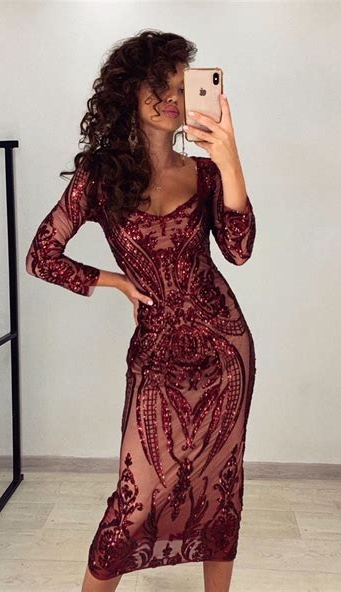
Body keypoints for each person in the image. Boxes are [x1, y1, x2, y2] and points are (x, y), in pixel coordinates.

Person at [25, 30, 257, 592]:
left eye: (182, 87)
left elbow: (239, 250)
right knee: (134, 503)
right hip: (155, 353)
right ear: (129, 89)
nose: (171, 98)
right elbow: (41, 256)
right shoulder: (99, 177)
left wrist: (230, 161)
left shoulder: (205, 174)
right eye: (159, 84)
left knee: (220, 487)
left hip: (225, 350)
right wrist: (114, 281)